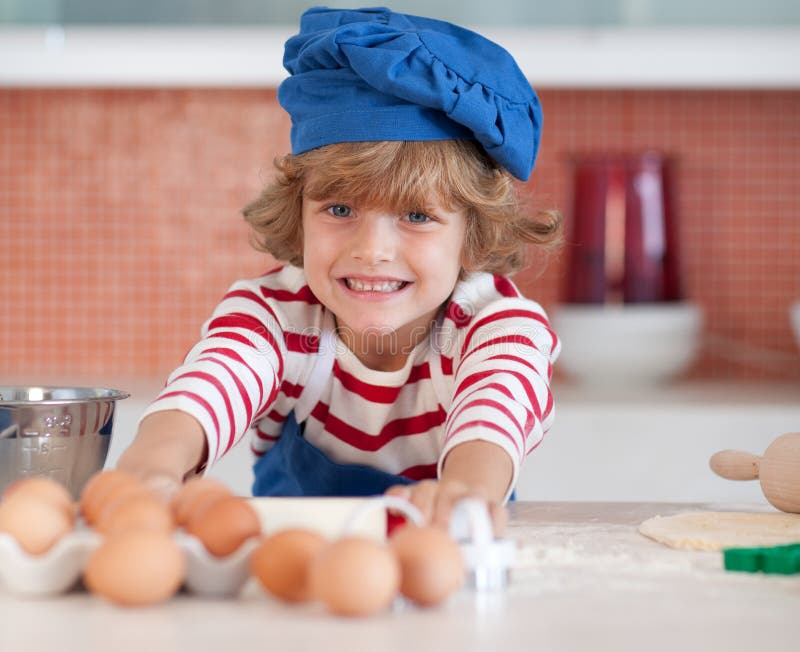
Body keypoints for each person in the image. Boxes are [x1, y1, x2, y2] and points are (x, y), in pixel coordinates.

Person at [117, 6, 562, 532]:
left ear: (474, 231)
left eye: (417, 215)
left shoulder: (498, 329)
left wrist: (465, 493)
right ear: (299, 213)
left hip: (445, 567)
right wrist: (152, 466)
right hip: (296, 578)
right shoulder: (276, 316)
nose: (372, 249)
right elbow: (207, 385)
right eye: (340, 209)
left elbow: (493, 414)